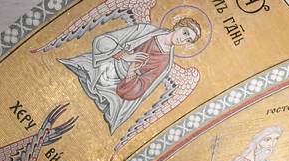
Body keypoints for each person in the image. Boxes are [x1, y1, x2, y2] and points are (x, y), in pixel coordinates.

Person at [61, 17, 201, 135]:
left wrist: (131, 70)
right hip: (105, 65)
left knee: (92, 117)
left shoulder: (164, 63)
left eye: (188, 40)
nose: (183, 39)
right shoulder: (145, 31)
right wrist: (126, 55)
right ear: (177, 26)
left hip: (120, 89)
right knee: (80, 70)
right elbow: (103, 40)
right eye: (185, 32)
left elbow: (140, 89)